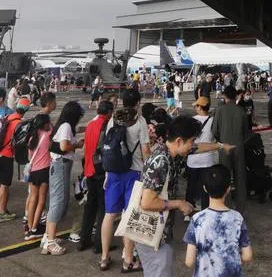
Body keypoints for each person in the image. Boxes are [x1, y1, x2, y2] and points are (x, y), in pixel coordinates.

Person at [135, 115, 225, 277]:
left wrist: (219, 146)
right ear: (178, 141)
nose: (192, 145)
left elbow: (197, 148)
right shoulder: (161, 162)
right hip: (152, 234)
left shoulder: (171, 153)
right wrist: (179, 204)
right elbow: (147, 203)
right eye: (191, 141)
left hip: (160, 232)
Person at [100, 90, 150, 272]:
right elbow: (145, 149)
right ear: (137, 103)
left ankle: (104, 257)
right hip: (133, 172)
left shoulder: (114, 118)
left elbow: (107, 143)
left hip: (113, 172)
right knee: (130, 216)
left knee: (109, 214)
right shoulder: (140, 121)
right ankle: (128, 260)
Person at [183, 164, 254, 277]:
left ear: (205, 188)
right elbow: (247, 256)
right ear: (228, 189)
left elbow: (189, 261)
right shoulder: (237, 218)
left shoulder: (197, 219)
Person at [43, 100, 84, 255]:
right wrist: (78, 145)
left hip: (61, 165)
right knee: (58, 202)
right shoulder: (66, 126)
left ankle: (48, 236)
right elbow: (64, 147)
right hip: (60, 165)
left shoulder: (65, 125)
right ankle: (50, 242)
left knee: (59, 200)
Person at [76, 100, 112, 253]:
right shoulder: (106, 126)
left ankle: (84, 240)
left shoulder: (91, 124)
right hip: (100, 170)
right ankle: (100, 243)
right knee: (103, 208)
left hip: (89, 169)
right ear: (109, 112)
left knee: (90, 207)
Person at [211, 86, 250, 214]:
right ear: (236, 96)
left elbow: (214, 131)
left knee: (224, 178)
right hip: (239, 147)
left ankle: (225, 206)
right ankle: (241, 209)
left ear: (224, 96)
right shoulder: (241, 111)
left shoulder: (220, 110)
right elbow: (247, 132)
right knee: (240, 178)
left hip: (224, 147)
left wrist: (221, 141)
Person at [0, 103, 24, 222]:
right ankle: (2, 212)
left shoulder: (6, 117)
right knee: (4, 185)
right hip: (6, 156)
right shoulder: (18, 123)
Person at [23, 113, 53, 241]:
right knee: (41, 200)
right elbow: (53, 128)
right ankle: (35, 228)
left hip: (33, 171)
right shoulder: (48, 135)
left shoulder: (32, 138)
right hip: (44, 170)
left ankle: (29, 227)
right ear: (45, 124)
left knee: (32, 199)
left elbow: (30, 157)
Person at [185, 97, 216, 216]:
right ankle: (204, 212)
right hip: (208, 160)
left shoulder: (192, 121)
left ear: (200, 107)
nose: (195, 108)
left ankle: (188, 212)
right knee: (205, 188)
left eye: (196, 106)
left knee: (191, 186)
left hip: (193, 159)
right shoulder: (213, 121)